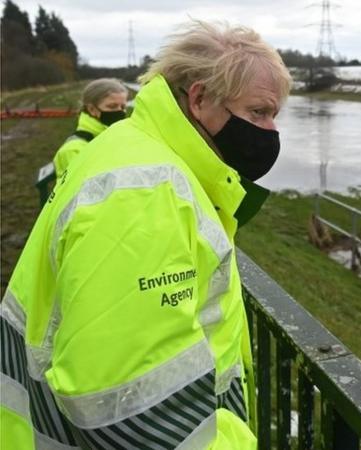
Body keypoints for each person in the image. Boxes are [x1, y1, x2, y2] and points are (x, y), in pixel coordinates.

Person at [0, 20, 291, 449]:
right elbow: (130, 408)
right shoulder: (145, 197)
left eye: (274, 115)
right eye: (258, 112)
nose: (270, 132)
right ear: (200, 98)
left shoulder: (135, 150)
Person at [53, 78, 129, 178]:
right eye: (112, 106)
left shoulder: (115, 136)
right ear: (92, 109)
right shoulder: (73, 150)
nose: (120, 112)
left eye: (123, 107)